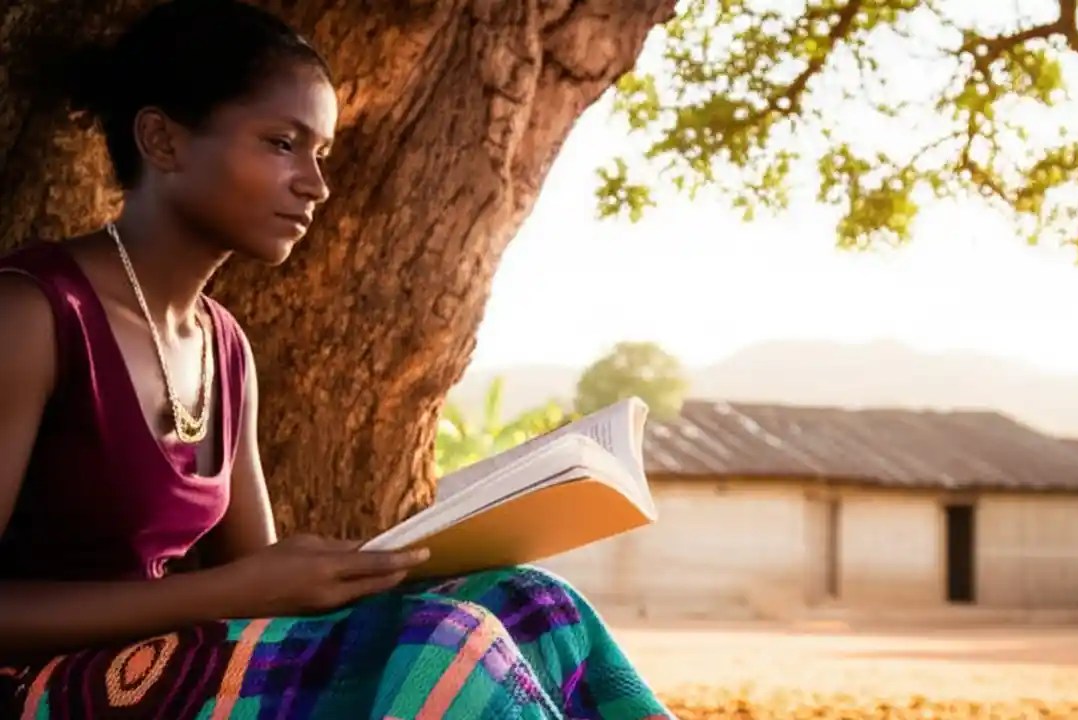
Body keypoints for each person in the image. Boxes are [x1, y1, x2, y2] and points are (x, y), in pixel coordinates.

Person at [0, 1, 673, 717]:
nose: (315, 184)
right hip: (38, 686)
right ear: (163, 141)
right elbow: (235, 592)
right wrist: (230, 594)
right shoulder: (33, 313)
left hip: (169, 668)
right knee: (450, 643)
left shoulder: (222, 345)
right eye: (282, 143)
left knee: (535, 605)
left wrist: (368, 571)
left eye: (318, 152)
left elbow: (257, 586)